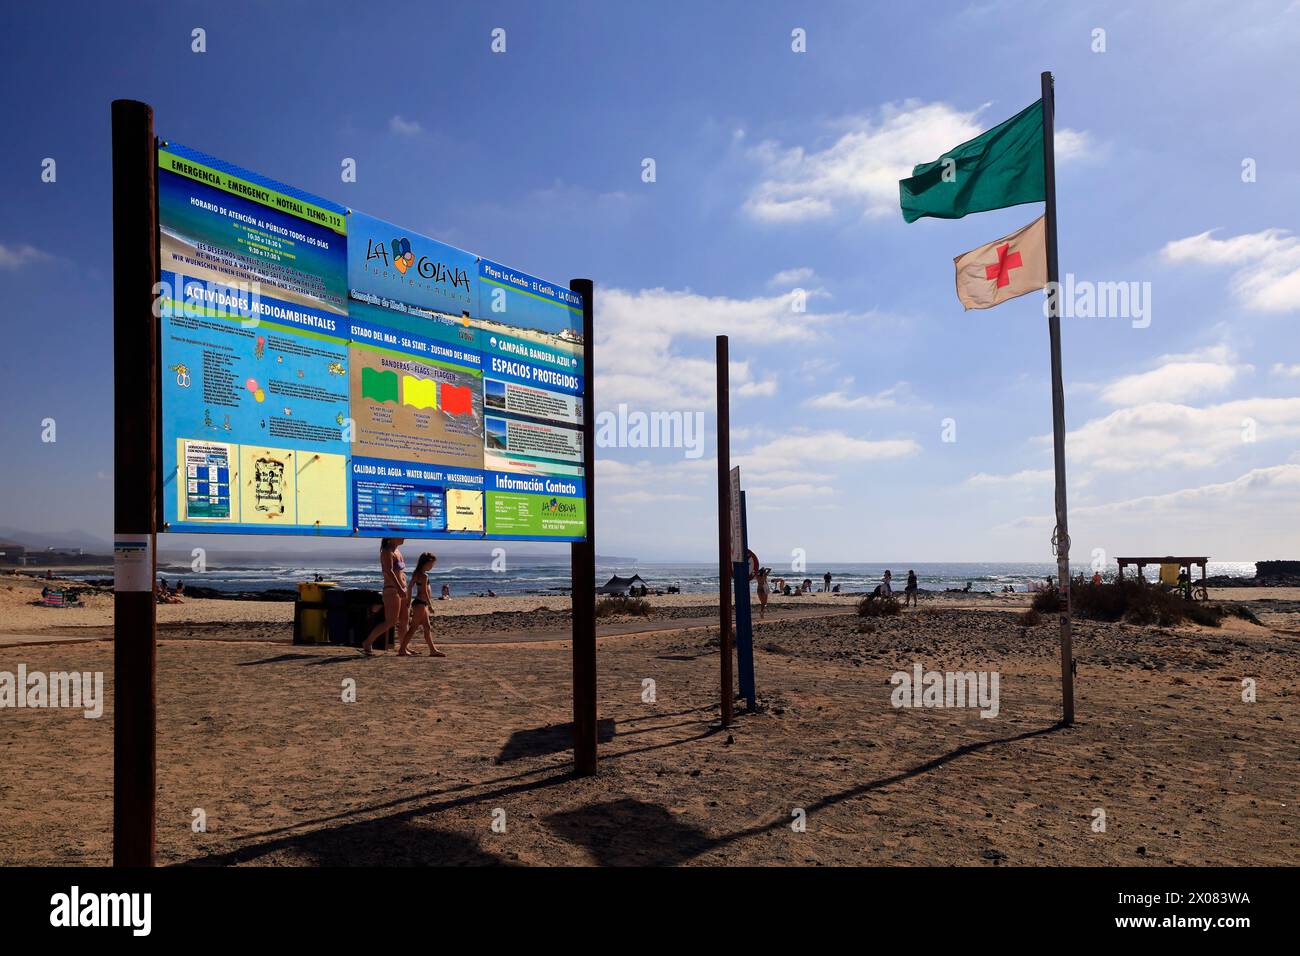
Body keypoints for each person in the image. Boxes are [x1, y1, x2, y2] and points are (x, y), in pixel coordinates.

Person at [361, 538, 407, 656]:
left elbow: (401, 572)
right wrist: (399, 587)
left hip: (402, 589)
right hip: (392, 589)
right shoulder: (387, 551)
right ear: (391, 537)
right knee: (391, 621)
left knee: (404, 619)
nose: (404, 538)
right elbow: (389, 571)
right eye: (401, 535)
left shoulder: (397, 550)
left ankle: (403, 647)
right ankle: (368, 642)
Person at [400, 553, 446, 658]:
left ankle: (433, 650)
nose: (432, 567)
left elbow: (410, 587)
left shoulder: (416, 573)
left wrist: (409, 600)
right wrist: (430, 605)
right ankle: (402, 649)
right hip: (421, 604)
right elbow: (425, 591)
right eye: (431, 564)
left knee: (427, 627)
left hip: (419, 603)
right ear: (425, 563)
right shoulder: (424, 576)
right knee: (414, 628)